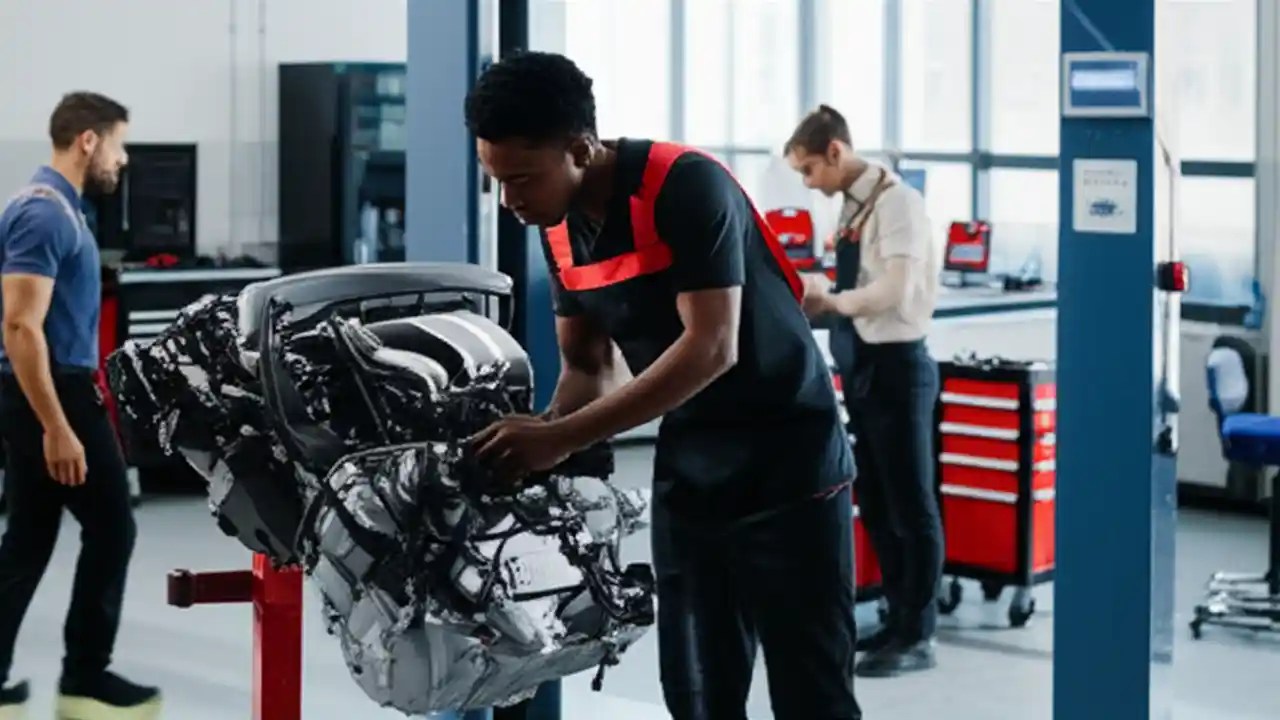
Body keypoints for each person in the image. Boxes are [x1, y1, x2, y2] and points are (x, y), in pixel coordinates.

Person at [465, 52, 861, 720]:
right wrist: (538, 441)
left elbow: (711, 347)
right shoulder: (557, 228)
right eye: (497, 181)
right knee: (699, 695)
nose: (511, 201)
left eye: (524, 179)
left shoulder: (684, 185)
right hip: (693, 468)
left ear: (581, 150)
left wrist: (559, 438)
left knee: (811, 696)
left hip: (791, 468)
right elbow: (589, 369)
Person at [0, 92, 162, 719]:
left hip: (47, 389)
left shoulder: (59, 210)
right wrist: (57, 427)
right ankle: (85, 679)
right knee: (113, 527)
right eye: (118, 145)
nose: (121, 162)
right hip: (52, 392)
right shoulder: (44, 215)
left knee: (29, 539)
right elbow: (20, 327)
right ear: (89, 140)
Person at [784, 105, 945, 678]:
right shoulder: (856, 203)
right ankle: (896, 614)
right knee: (875, 497)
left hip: (898, 365)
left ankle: (918, 631)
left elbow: (893, 291)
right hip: (862, 363)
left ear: (835, 152)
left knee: (911, 502)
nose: (809, 183)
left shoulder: (897, 202)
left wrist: (830, 301)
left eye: (809, 170)